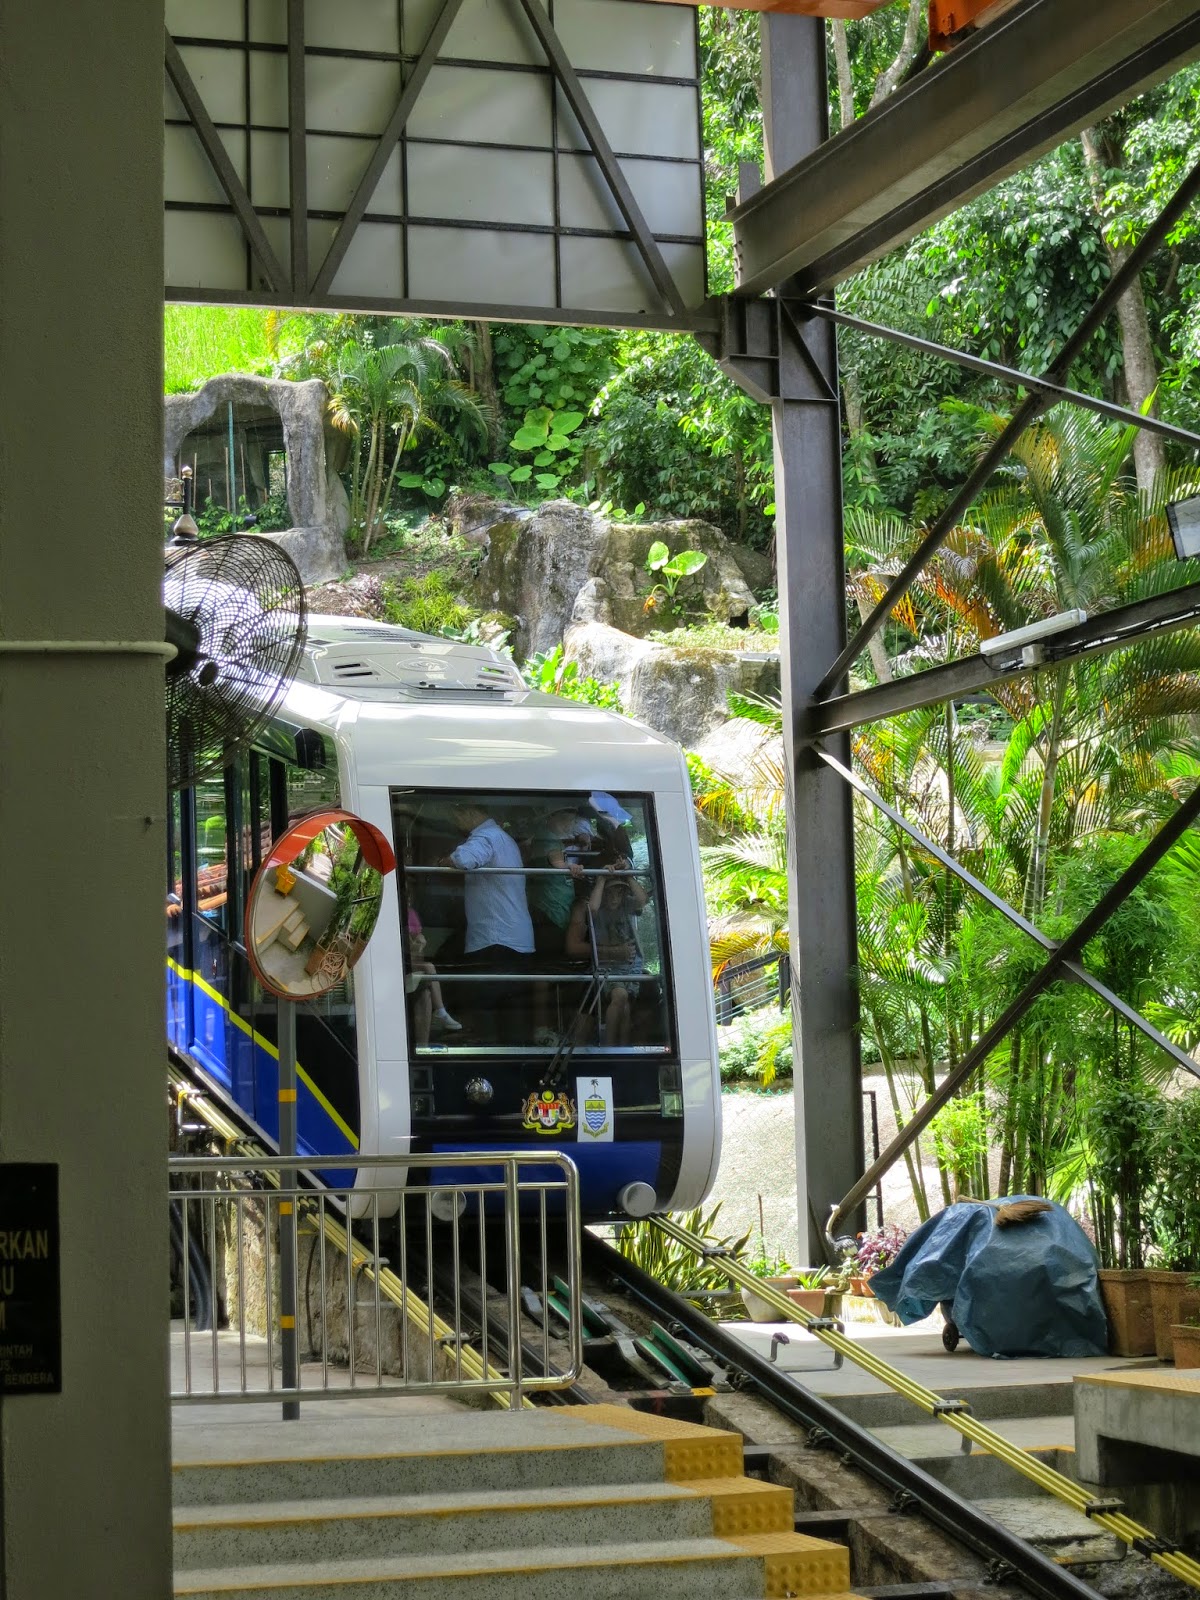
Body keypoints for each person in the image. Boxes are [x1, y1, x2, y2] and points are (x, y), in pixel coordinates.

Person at [438, 802, 534, 1038]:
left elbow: (464, 859)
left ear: (470, 812)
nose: (455, 823)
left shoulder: (486, 836)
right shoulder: (505, 838)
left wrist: (442, 862)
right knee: (513, 1011)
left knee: (486, 1008)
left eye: (456, 816)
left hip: (495, 939)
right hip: (516, 937)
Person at [566, 862, 650, 1046]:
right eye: (610, 893)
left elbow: (642, 899)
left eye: (618, 893)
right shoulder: (599, 910)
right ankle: (610, 1046)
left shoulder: (626, 906)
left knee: (626, 1007)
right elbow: (593, 908)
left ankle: (623, 1048)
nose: (614, 898)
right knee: (619, 995)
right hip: (609, 967)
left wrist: (628, 875)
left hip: (631, 967)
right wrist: (602, 877)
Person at [405, 906, 460, 1046]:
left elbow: (418, 942)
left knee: (425, 994)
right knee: (429, 967)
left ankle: (422, 1046)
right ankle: (441, 1012)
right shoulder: (397, 911)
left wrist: (418, 945)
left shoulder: (412, 913)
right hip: (401, 964)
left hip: (414, 962)